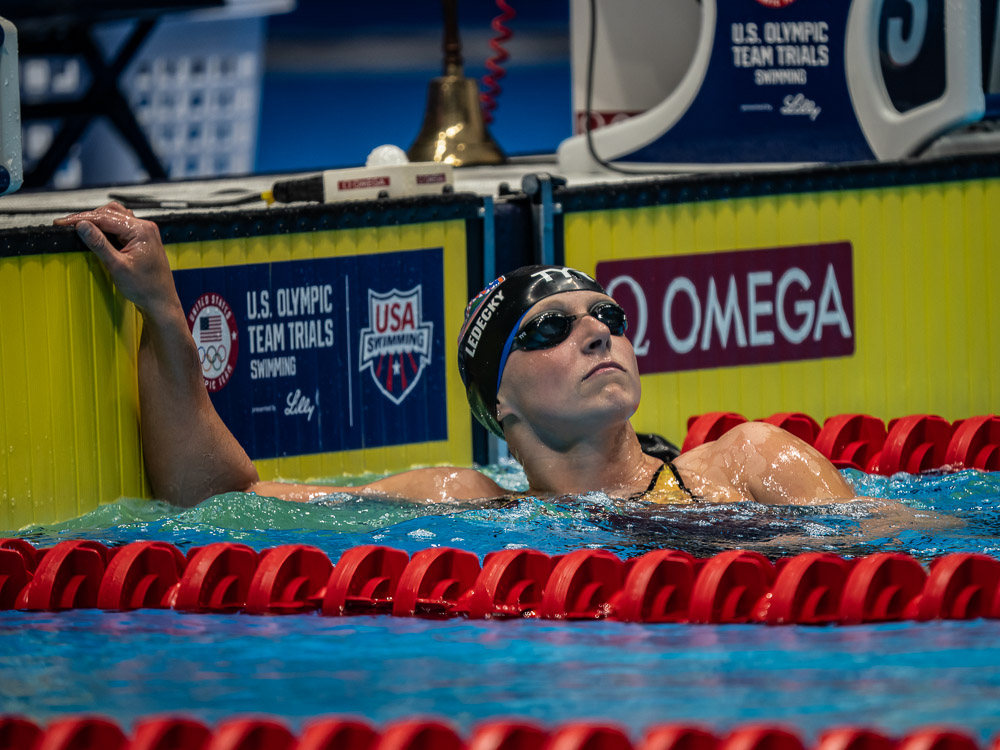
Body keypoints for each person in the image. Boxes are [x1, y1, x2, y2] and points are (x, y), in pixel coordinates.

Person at [56, 203, 858, 508]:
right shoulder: (461, 501)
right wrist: (163, 314)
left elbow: (892, 552)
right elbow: (216, 499)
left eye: (607, 317)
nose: (596, 333)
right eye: (547, 329)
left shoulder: (746, 461)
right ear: (499, 403)